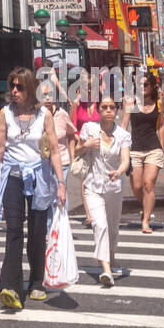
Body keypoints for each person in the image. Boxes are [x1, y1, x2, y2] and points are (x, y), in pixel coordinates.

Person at [0, 67, 66, 310]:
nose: (14, 91)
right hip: (13, 175)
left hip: (39, 176)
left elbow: (53, 150)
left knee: (37, 230)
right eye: (12, 86)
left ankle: (37, 281)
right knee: (13, 229)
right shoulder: (5, 114)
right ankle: (10, 285)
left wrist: (61, 183)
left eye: (20, 87)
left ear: (30, 89)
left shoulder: (44, 115)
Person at [77, 99, 131, 286]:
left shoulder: (123, 135)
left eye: (112, 107)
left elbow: (125, 159)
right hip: (92, 186)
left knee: (113, 228)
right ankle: (106, 270)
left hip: (114, 187)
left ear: (116, 110)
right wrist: (87, 146)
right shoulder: (89, 129)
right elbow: (76, 152)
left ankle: (111, 254)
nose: (108, 110)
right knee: (100, 225)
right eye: (104, 107)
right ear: (98, 110)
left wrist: (119, 172)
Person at [121, 71, 164, 234]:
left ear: (152, 85)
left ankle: (146, 220)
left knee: (148, 184)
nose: (142, 87)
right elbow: (124, 124)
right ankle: (147, 205)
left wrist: (162, 147)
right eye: (139, 84)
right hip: (135, 149)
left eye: (145, 84)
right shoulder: (130, 102)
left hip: (153, 148)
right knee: (137, 186)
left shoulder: (158, 102)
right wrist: (120, 148)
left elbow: (161, 125)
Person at [72, 93, 101, 228]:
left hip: (98, 146)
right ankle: (89, 215)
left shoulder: (99, 103)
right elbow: (73, 125)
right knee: (84, 180)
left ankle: (98, 210)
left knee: (98, 178)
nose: (89, 91)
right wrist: (78, 141)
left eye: (91, 88)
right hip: (83, 144)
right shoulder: (78, 104)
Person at [48, 96, 78, 184]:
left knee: (61, 193)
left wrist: (72, 157)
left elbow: (71, 134)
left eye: (49, 95)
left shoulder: (61, 114)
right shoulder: (36, 115)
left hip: (62, 162)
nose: (46, 98)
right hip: (41, 165)